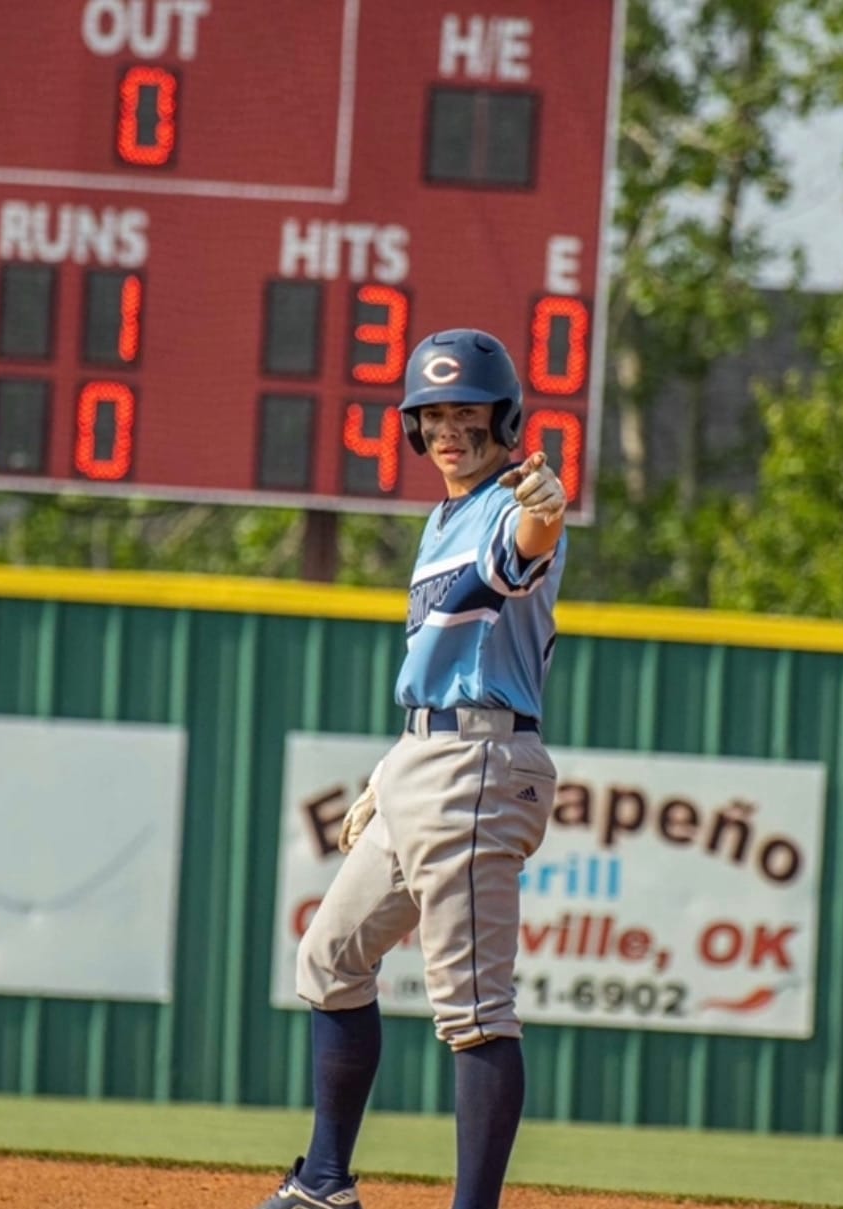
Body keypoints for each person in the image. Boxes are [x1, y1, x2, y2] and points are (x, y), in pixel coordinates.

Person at [254, 328, 569, 1209]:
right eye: (431, 415)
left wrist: (546, 507)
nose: (447, 430)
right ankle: (324, 1182)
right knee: (330, 957)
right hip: (424, 755)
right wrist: (392, 769)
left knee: (474, 1011)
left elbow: (528, 545)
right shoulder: (440, 519)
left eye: (466, 412)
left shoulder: (511, 503)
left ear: (504, 418)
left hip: (478, 759)